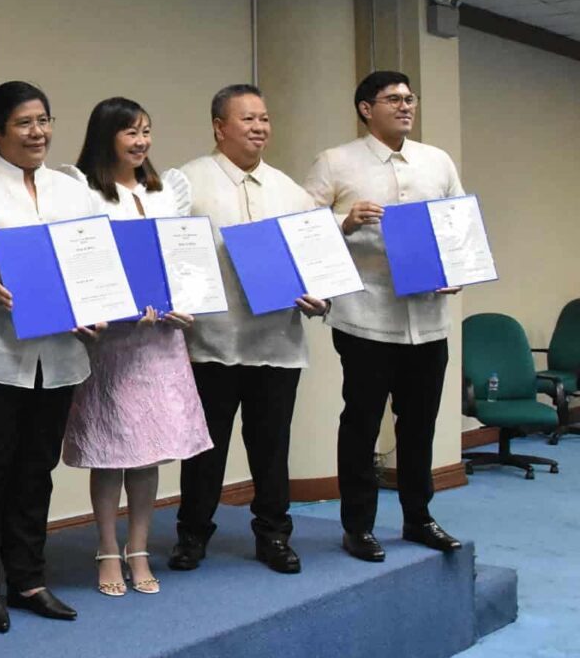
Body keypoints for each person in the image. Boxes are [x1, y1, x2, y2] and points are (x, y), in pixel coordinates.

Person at [0, 82, 100, 633]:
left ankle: (30, 578)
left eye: (44, 120)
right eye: (24, 123)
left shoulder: (71, 188)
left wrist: (100, 302)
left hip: (58, 353)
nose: (38, 133)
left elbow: (92, 257)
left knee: (37, 469)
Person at [303, 70, 465, 563]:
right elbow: (302, 229)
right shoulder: (336, 162)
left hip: (428, 319)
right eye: (393, 99)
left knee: (420, 425)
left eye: (409, 98)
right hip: (366, 318)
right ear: (365, 108)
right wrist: (344, 222)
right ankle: (358, 527)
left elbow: (458, 227)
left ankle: (418, 516)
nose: (405, 105)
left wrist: (456, 269)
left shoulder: (436, 161)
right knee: (362, 423)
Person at [170, 85, 329, 576]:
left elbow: (318, 260)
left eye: (264, 118)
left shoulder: (289, 190)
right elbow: (166, 250)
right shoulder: (185, 182)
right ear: (219, 126)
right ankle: (192, 535)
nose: (260, 127)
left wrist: (321, 295)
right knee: (205, 448)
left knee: (271, 446)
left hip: (276, 343)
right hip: (210, 341)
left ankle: (275, 535)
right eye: (248, 119)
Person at [62, 97, 212, 598]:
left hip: (162, 338)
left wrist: (186, 301)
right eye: (130, 132)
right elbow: (83, 260)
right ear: (106, 136)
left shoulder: (166, 188)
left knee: (148, 451)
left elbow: (183, 257)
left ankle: (140, 547)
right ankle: (107, 548)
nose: (141, 141)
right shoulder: (84, 192)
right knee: (112, 448)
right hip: (115, 342)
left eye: (146, 131)